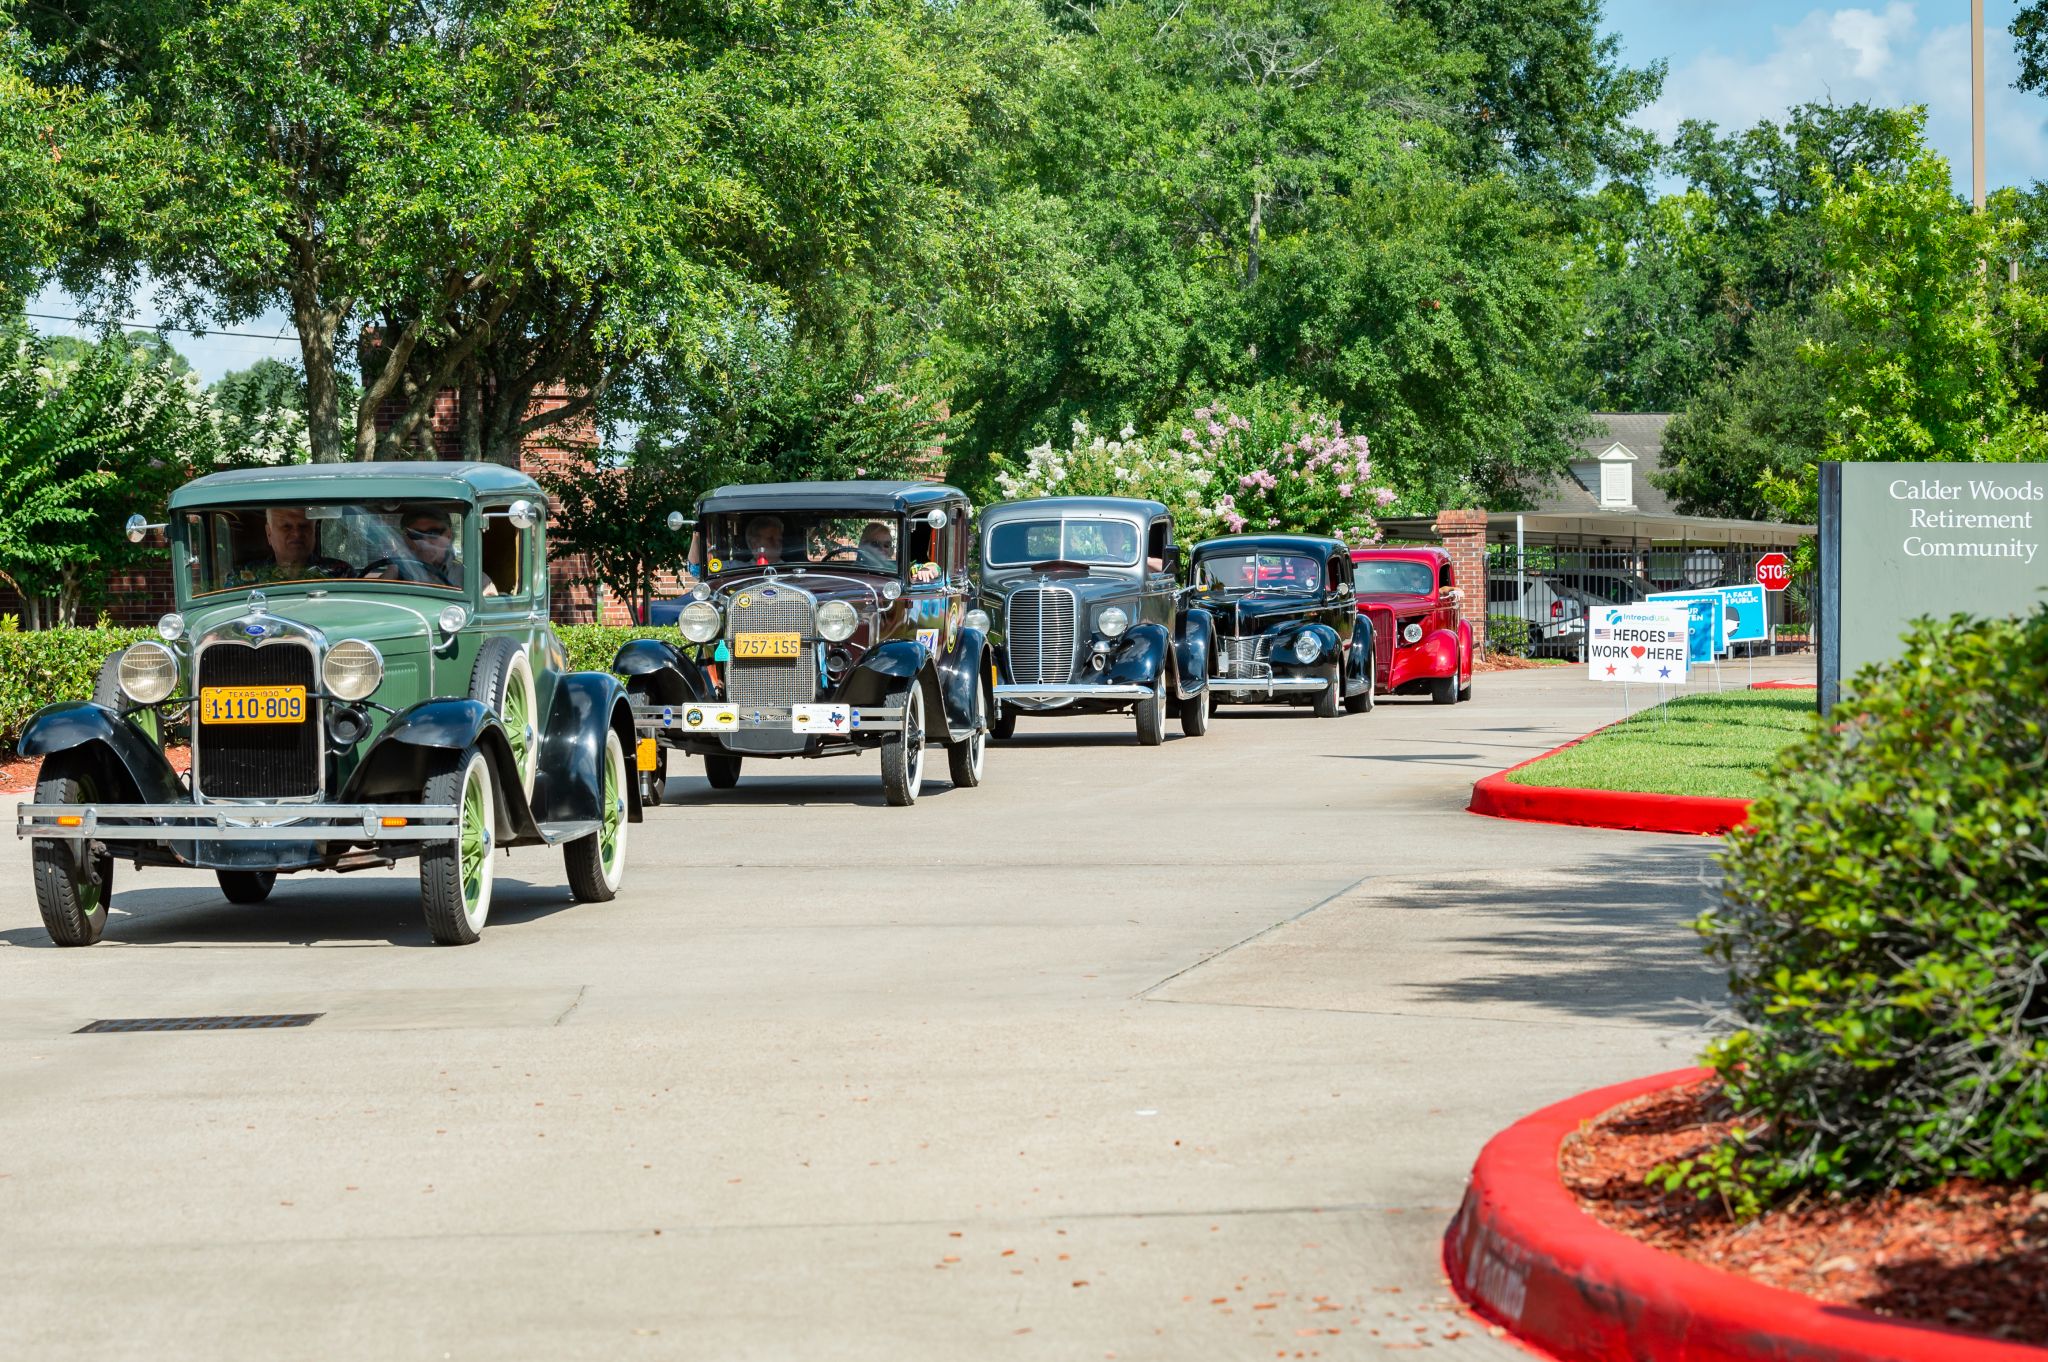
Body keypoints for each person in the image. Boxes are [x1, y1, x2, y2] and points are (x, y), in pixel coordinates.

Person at [227, 506, 352, 586]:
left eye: (304, 526)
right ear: (269, 533)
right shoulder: (242, 577)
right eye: (286, 526)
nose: (297, 533)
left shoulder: (340, 573)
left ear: (314, 531)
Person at [376, 507, 465, 588]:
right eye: (415, 535)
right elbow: (377, 599)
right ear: (405, 538)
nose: (425, 541)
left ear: (448, 536)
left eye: (433, 533)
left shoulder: (464, 574)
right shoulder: (400, 569)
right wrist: (394, 567)